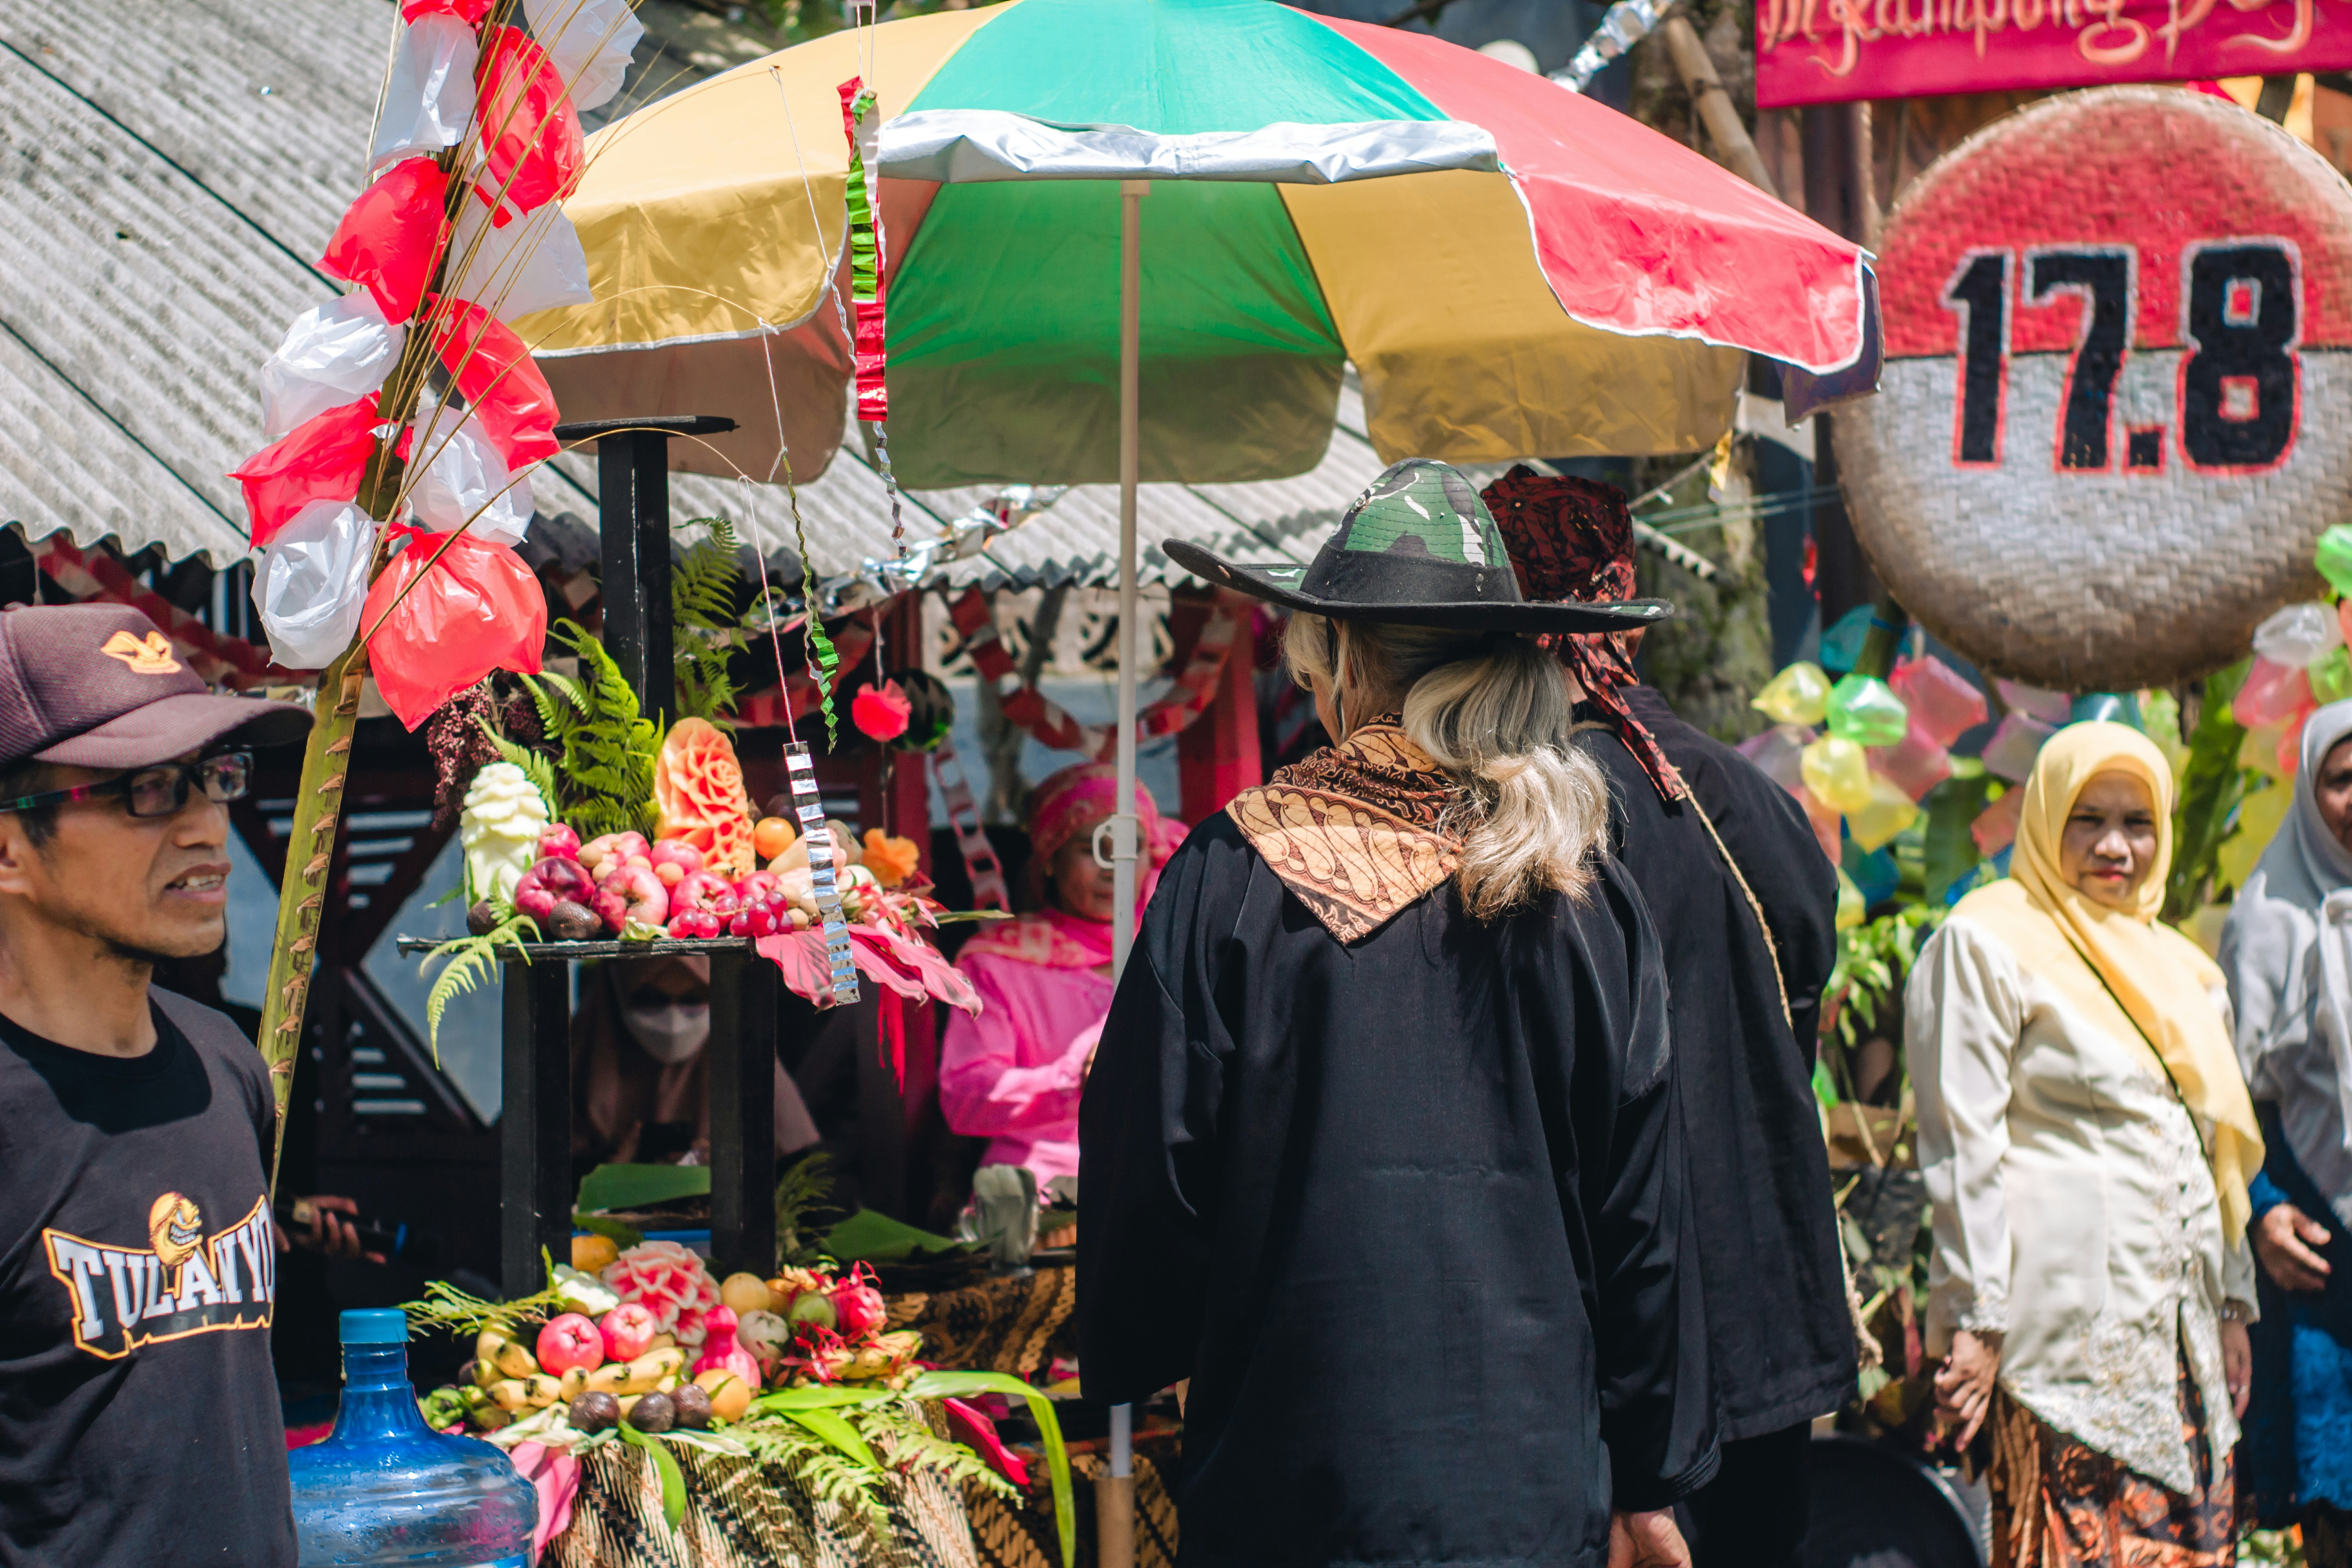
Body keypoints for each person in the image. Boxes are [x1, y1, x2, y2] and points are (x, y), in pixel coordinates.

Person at [1082, 461, 1714, 1568]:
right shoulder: (1580, 883)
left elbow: (1147, 1168)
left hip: (1288, 1482)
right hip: (1533, 1488)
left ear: (1340, 667)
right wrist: (1649, 1472)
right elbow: (1642, 1218)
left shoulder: (1230, 871)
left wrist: (1166, 1352)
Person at [1482, 467, 1850, 1567]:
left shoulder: (1532, 816)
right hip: (1767, 1298)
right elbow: (1802, 993)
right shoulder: (1738, 789)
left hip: (1624, 1359)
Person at [0, 604, 319, 1565]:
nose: (207, 827)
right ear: (10, 847)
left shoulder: (226, 1066)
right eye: (146, 790)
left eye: (217, 779)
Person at [1906, 724, 2263, 1567]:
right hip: (2061, 1355)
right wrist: (1976, 1317)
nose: (2114, 846)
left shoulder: (2182, 969)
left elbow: (2208, 1146)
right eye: (2085, 818)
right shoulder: (1987, 940)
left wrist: (2229, 1302)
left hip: (2181, 1358)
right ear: (2044, 816)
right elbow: (1963, 1145)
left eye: (2137, 822)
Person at [2218, 700, 2352, 1563]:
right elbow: (2228, 1100)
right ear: (2307, 790)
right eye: (2340, 779)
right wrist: (2259, 1212)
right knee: (2335, 1497)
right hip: (2316, 1242)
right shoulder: (2265, 918)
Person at [938, 762, 1179, 1186]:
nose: (1114, 868)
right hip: (1039, 1186)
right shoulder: (998, 963)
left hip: (1167, 1182)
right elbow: (964, 1098)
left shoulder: (1178, 948)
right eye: (1092, 849)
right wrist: (1071, 1081)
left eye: (1131, 848)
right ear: (1051, 856)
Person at [570, 953, 821, 1174]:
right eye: (651, 999)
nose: (673, 1022)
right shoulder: (576, 1081)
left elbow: (797, 1188)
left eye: (692, 999)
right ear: (615, 998)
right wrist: (613, 1179)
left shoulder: (750, 1074)